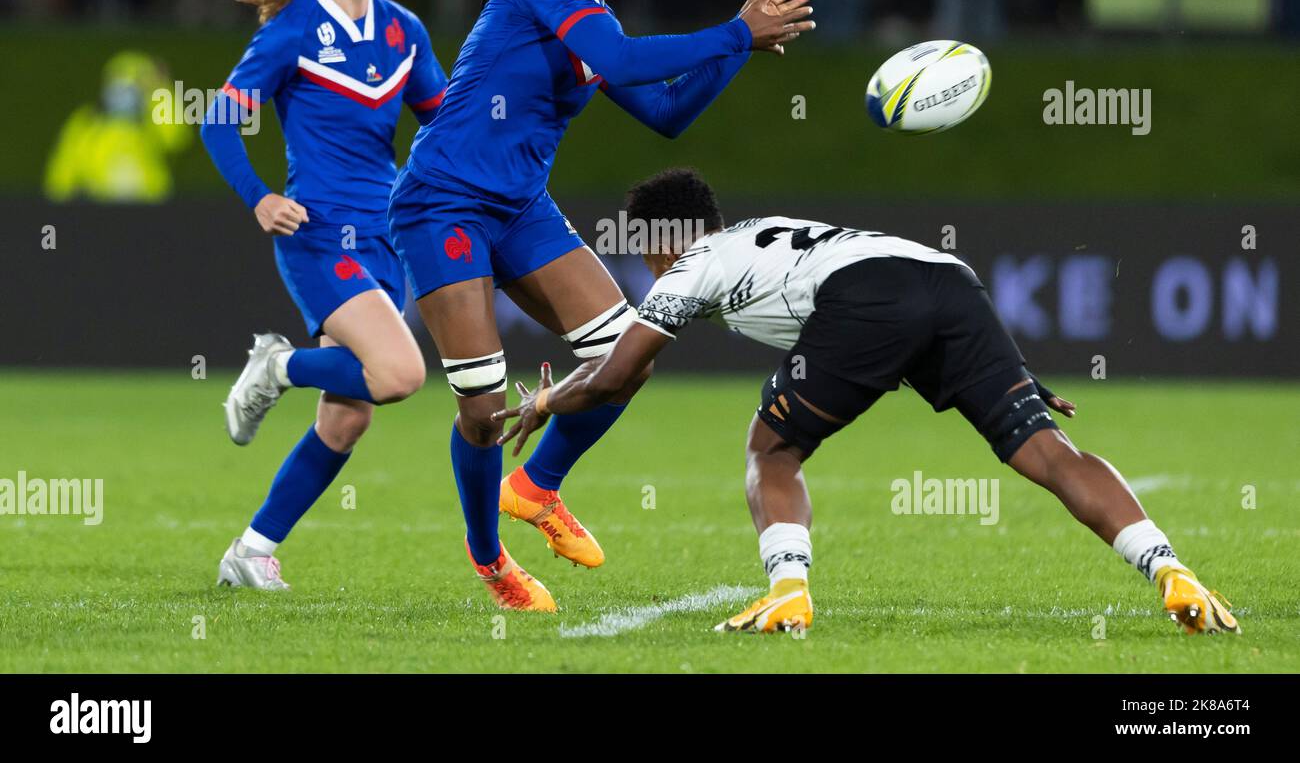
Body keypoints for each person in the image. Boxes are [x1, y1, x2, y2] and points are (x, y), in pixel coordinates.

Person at [493, 167, 1242, 636]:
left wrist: (548, 401)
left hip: (867, 295)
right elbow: (911, 295)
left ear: (663, 238)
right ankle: (1170, 569)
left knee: (772, 446)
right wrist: (1008, 370)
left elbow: (619, 372)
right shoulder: (753, 233)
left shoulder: (689, 265)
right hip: (947, 279)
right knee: (1047, 451)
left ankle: (787, 593)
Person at [387, 0, 814, 611]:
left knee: (627, 355)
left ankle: (536, 487)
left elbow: (667, 114)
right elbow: (619, 61)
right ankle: (489, 558)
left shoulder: (590, 10)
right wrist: (733, 30)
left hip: (520, 208)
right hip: (444, 201)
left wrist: (738, 50)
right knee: (485, 411)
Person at [200, 0, 446, 590]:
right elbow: (220, 119)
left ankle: (250, 551)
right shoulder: (291, 31)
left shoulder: (404, 29)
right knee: (400, 375)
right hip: (316, 234)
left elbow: (439, 122)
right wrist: (258, 197)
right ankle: (275, 368)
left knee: (346, 423)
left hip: (383, 237)